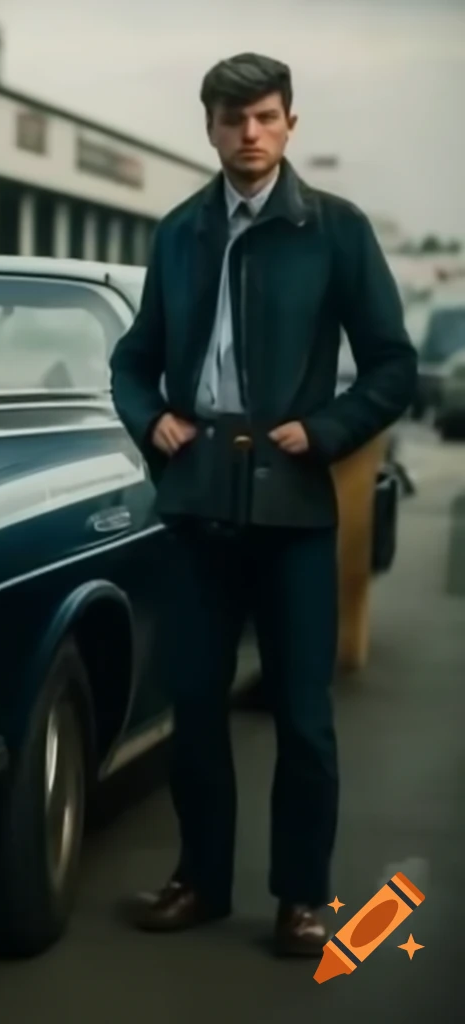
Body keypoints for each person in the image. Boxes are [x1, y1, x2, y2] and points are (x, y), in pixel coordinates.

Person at [109, 53, 417, 956]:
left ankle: (303, 900)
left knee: (303, 717)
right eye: (233, 119)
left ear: (289, 124)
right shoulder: (179, 232)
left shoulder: (336, 229)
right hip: (197, 497)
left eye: (266, 117)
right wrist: (151, 418)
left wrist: (326, 431)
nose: (250, 133)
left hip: (293, 507)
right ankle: (200, 881)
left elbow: (392, 365)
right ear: (209, 127)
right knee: (194, 706)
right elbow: (133, 360)